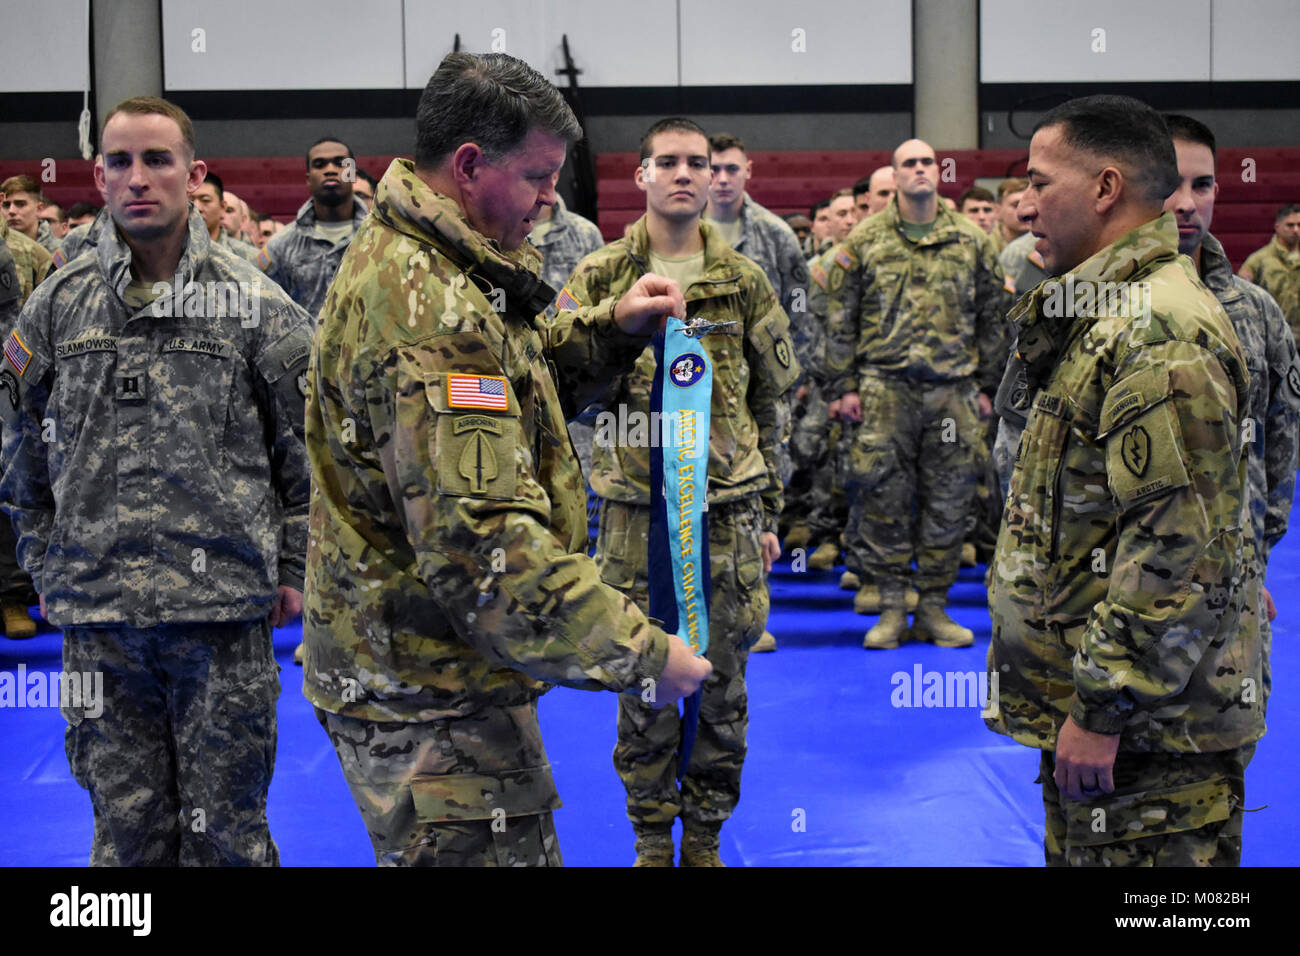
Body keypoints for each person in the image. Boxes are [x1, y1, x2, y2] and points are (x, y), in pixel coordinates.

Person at [302, 53, 711, 868]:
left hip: (426, 669)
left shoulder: (437, 253)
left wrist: (607, 331)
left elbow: (515, 376)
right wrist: (642, 653)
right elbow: (484, 550)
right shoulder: (431, 311)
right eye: (537, 176)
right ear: (466, 166)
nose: (552, 197)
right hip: (430, 695)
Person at [0, 95, 315, 865]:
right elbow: (17, 448)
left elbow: (308, 452)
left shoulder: (256, 306)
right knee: (123, 834)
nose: (138, 178)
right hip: (98, 625)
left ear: (194, 172)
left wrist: (295, 566)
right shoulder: (55, 308)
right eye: (120, 161)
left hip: (222, 623)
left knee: (231, 836)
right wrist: (45, 560)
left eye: (158, 159)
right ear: (98, 175)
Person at [987, 95, 1262, 867]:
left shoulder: (1156, 328)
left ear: (1105, 189)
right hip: (1112, 716)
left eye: (1041, 182)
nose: (1026, 203)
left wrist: (1105, 705)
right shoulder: (1104, 308)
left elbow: (1178, 546)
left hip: (1150, 737)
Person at [561, 116, 797, 866]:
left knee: (722, 686)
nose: (686, 174)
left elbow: (770, 403)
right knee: (644, 674)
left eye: (699, 162)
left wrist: (771, 510)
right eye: (668, 162)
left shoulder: (745, 279)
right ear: (641, 176)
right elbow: (560, 386)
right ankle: (649, 837)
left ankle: (703, 838)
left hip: (726, 515)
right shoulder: (600, 277)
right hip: (636, 514)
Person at [824, 138, 1011, 648]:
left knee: (950, 498)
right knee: (882, 494)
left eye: (928, 162)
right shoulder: (865, 240)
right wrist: (841, 385)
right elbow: (839, 315)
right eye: (910, 163)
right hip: (884, 388)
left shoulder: (972, 240)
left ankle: (932, 606)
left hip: (952, 390)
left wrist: (988, 387)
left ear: (939, 173)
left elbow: (993, 317)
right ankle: (889, 606)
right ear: (895, 176)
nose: (921, 170)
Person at [704, 132, 808, 653]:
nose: (721, 179)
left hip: (756, 390)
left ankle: (750, 610)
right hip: (696, 390)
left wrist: (797, 379)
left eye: (730, 169)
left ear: (749, 171)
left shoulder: (775, 236)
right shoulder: (681, 234)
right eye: (713, 169)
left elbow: (801, 309)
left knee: (757, 494)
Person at [0, 219, 52, 639]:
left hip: (7, 373)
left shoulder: (24, 252)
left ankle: (13, 594)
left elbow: (15, 324)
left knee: (10, 484)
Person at [259, 137, 368, 321]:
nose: (331, 170)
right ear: (308, 180)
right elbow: (265, 312)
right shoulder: (281, 245)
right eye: (320, 164)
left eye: (340, 163)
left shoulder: (379, 237)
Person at [1240, 203, 1300, 343]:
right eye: (1290, 225)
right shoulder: (1259, 260)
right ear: (1277, 227)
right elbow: (1242, 293)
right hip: (1274, 337)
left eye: (1299, 225)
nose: (1296, 230)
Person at [193, 172, 259, 263]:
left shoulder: (248, 257)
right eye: (190, 201)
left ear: (222, 207)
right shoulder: (173, 255)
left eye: (205, 200)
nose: (197, 207)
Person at [2, 175, 60, 254]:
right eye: (6, 205)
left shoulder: (61, 251)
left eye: (21, 204)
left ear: (39, 209)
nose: (11, 211)